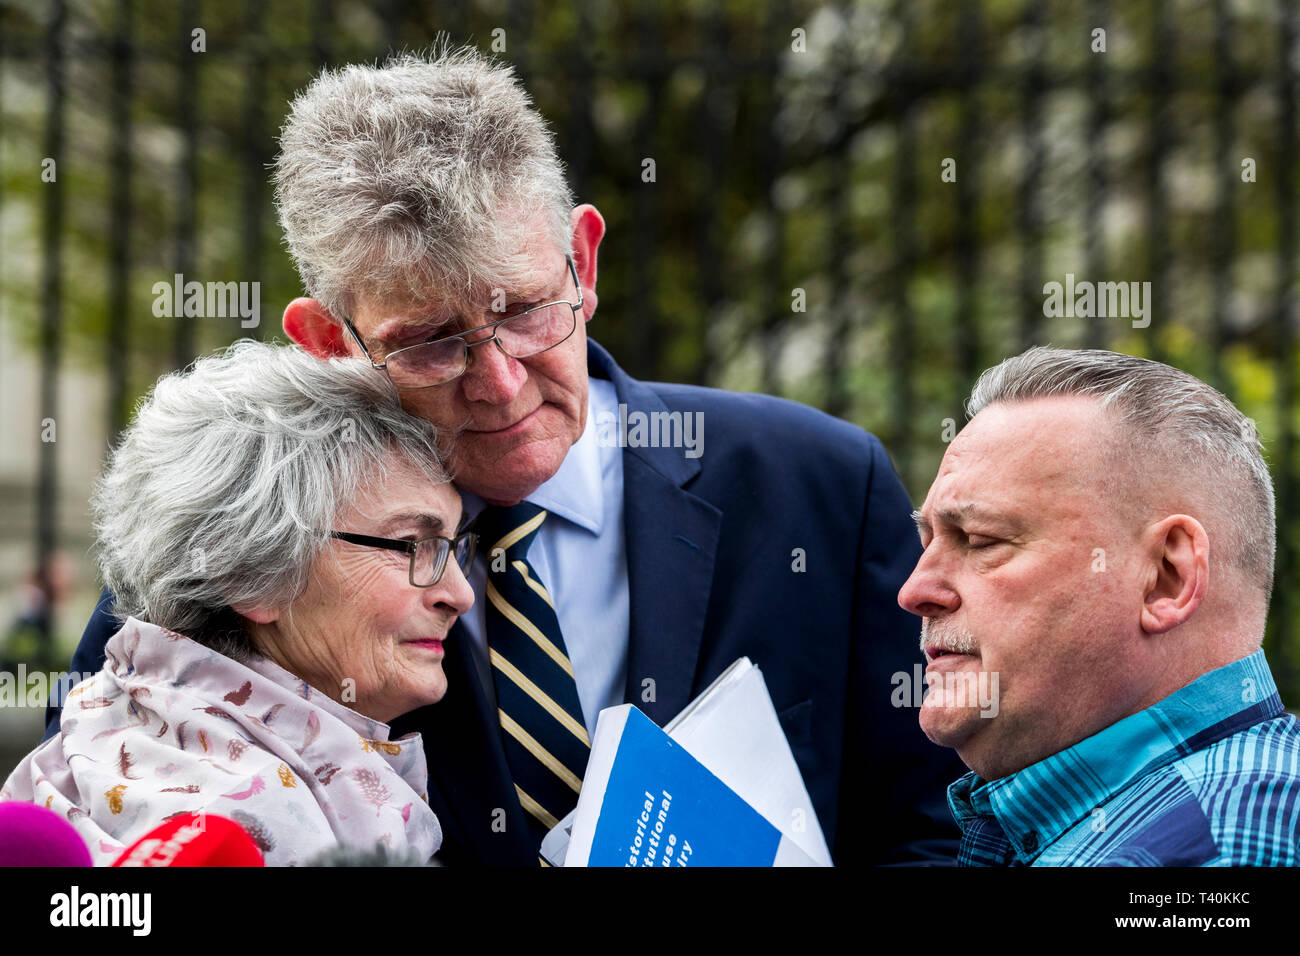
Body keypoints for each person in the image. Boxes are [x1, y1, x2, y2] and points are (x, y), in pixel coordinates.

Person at [49, 47, 963, 866]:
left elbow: (936, 832)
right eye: (431, 341)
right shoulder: (239, 524)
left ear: (584, 261)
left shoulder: (818, 487)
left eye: (526, 310)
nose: (500, 381)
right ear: (328, 338)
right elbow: (97, 831)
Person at [9, 341, 476, 865]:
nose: (460, 594)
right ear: (254, 574)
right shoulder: (241, 818)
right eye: (415, 546)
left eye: (454, 549)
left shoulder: (132, 725)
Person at [900, 346, 1300, 866]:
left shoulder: (1210, 852)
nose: (914, 591)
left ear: (1165, 578)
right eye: (926, 540)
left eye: (978, 539)